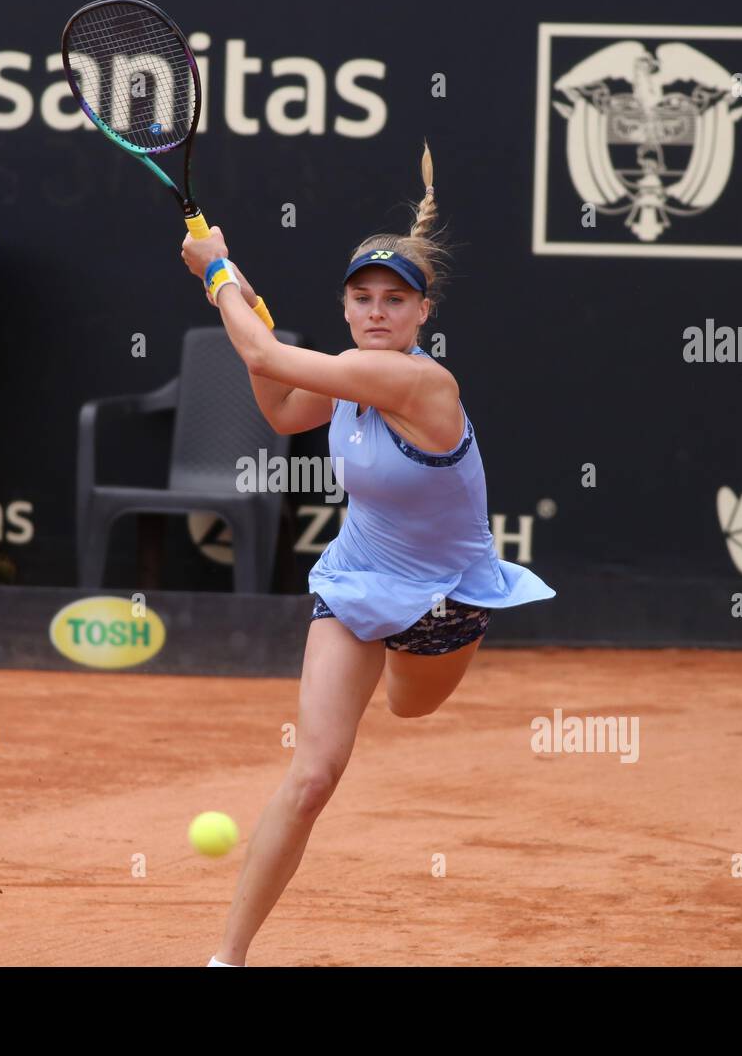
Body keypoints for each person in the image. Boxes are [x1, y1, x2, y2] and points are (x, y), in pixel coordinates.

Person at [179, 142, 555, 967]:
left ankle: (395, 668)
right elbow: (279, 406)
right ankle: (226, 959)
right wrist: (243, 304)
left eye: (396, 299)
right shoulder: (352, 372)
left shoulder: (425, 386)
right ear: (347, 309)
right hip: (354, 584)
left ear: (424, 315)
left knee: (408, 710)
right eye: (362, 298)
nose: (377, 311)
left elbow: (268, 359)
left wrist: (218, 274)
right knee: (312, 778)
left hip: (443, 603)